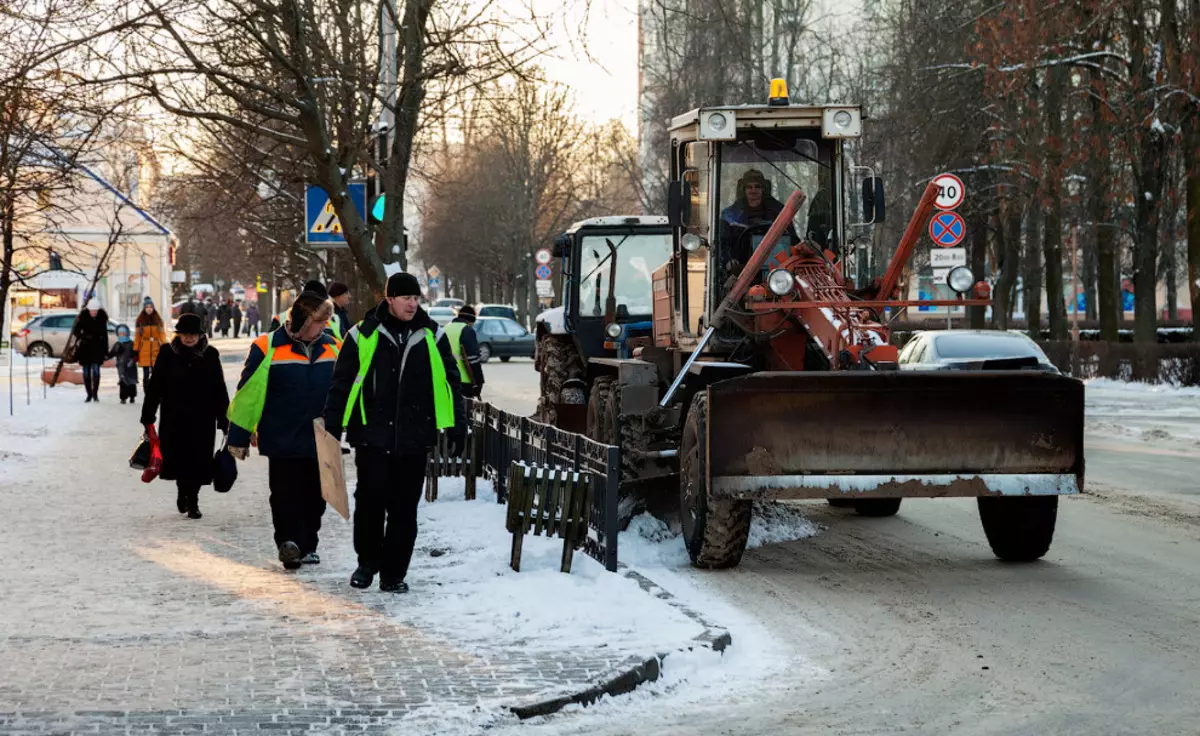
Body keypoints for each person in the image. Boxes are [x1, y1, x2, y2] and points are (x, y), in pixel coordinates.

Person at [323, 272, 465, 594]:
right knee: (371, 502)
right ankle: (367, 562)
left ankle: (394, 573)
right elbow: (341, 383)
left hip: (415, 436)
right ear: (389, 300)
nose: (413, 304)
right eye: (406, 298)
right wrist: (332, 426)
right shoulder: (363, 334)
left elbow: (451, 383)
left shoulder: (433, 335)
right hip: (372, 434)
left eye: (416, 298)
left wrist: (458, 424)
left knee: (404, 509)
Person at [227, 289, 340, 570]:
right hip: (282, 435)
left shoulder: (334, 347)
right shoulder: (266, 347)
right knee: (285, 495)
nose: (324, 327)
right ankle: (288, 543)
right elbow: (248, 395)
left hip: (321, 436)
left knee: (317, 496)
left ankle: (308, 543)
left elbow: (346, 390)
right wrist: (238, 437)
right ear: (303, 321)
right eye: (319, 321)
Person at [141, 313, 230, 519]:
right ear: (179, 334)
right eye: (185, 334)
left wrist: (224, 420)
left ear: (200, 335)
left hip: (202, 419)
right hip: (175, 417)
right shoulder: (167, 353)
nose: (189, 338)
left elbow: (219, 389)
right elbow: (155, 387)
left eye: (193, 335)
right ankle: (183, 493)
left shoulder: (210, 355)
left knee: (199, 461)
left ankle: (194, 501)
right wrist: (148, 416)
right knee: (179, 459)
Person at [718, 169, 793, 272]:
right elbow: (723, 244)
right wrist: (729, 261)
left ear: (763, 189)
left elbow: (791, 239)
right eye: (749, 187)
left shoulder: (780, 213)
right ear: (743, 189)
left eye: (757, 186)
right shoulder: (729, 215)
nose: (753, 190)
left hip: (776, 269)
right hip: (740, 269)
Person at [72, 299, 110, 403]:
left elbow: (105, 336)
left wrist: (106, 351)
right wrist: (84, 336)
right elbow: (75, 331)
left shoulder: (102, 319)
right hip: (85, 348)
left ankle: (95, 394)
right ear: (88, 310)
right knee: (86, 372)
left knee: (96, 372)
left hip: (97, 349)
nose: (93, 312)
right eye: (91, 310)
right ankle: (88, 394)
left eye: (95, 311)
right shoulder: (83, 318)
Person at [444, 305, 484, 398]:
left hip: (445, 380)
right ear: (471, 321)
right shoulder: (467, 330)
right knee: (463, 411)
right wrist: (479, 382)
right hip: (463, 382)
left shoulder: (445, 328)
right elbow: (473, 360)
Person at [134, 298, 167, 389]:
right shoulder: (140, 321)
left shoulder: (158, 320)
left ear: (153, 308)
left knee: (155, 373)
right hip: (144, 348)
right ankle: (146, 390)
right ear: (144, 308)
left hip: (156, 348)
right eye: (147, 307)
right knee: (146, 373)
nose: (149, 309)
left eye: (151, 307)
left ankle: (154, 391)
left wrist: (165, 345)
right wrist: (135, 350)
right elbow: (137, 337)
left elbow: (162, 335)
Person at [107, 324, 139, 404]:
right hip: (121, 366)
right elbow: (111, 354)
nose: (122, 334)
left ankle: (132, 397)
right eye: (120, 332)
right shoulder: (117, 344)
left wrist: (132, 361)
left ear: (127, 333)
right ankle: (123, 398)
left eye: (124, 332)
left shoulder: (132, 343)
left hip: (131, 366)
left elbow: (137, 355)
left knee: (131, 381)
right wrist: (104, 357)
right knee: (123, 381)